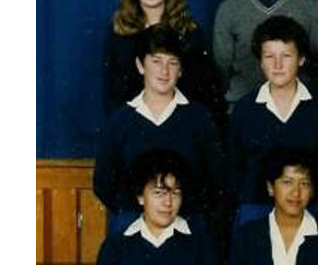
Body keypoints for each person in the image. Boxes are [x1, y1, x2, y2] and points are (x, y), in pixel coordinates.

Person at [94, 24, 226, 233]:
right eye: (156, 61)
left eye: (172, 62)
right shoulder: (120, 120)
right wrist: (145, 218)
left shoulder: (198, 117)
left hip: (188, 226)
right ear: (140, 65)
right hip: (134, 225)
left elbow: (217, 179)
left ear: (181, 70)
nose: (164, 71)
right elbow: (103, 183)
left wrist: (180, 214)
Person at [228, 15, 318, 229]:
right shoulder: (245, 108)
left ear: (301, 59)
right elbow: (234, 168)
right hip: (256, 210)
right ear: (260, 60)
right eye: (269, 57)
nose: (277, 65)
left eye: (286, 56)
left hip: (310, 210)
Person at [104, 0, 225, 126]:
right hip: (133, 129)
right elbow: (113, 97)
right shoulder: (119, 33)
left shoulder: (190, 33)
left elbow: (207, 96)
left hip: (182, 129)